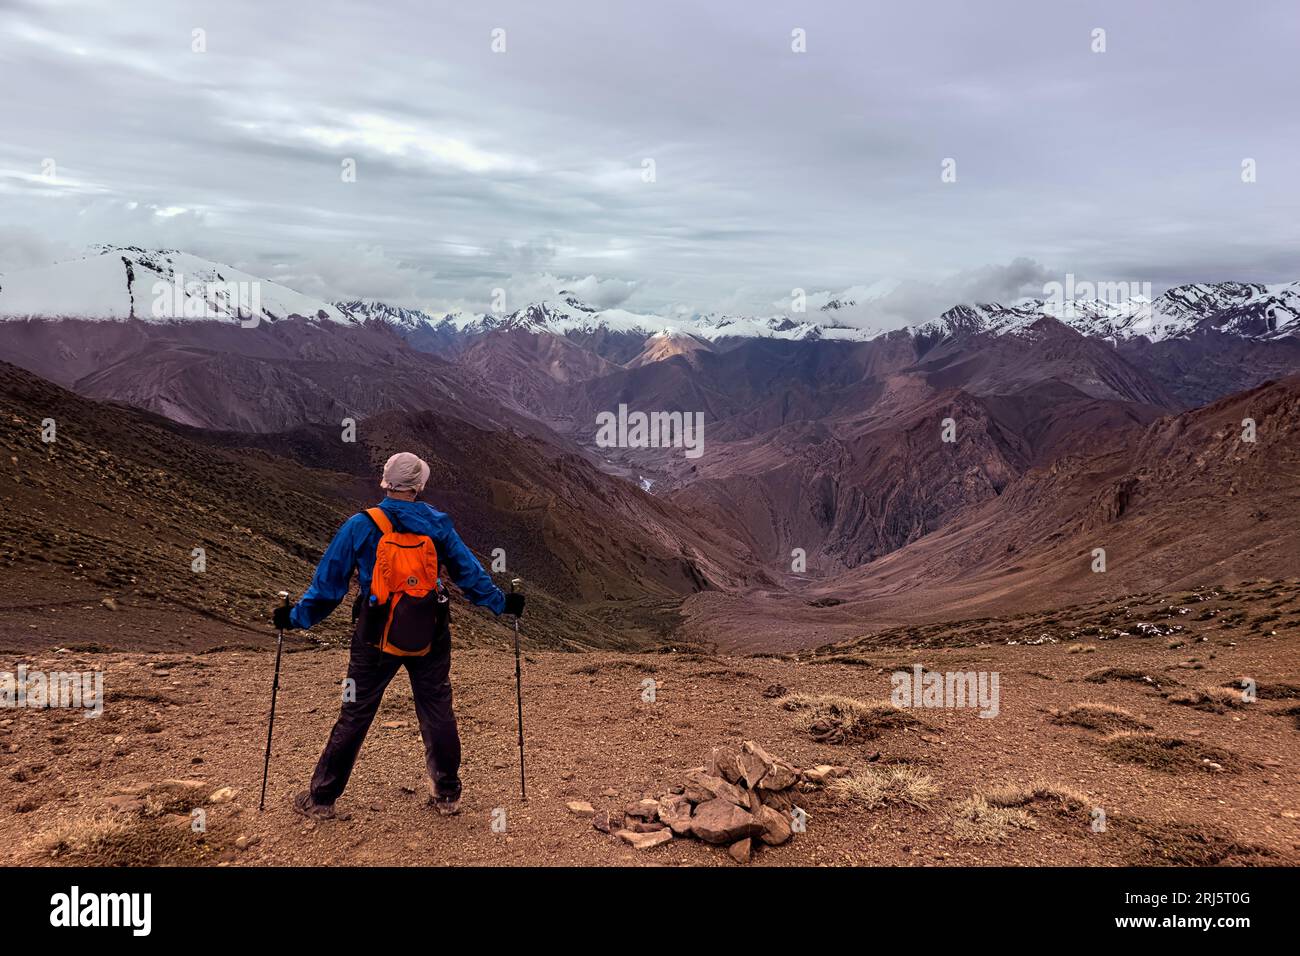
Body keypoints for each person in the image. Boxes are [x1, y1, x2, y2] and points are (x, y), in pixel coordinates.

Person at [273, 451, 524, 819]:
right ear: (419, 485)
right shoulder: (437, 524)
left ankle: (322, 799)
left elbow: (328, 587)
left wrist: (294, 618)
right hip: (429, 630)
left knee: (356, 712)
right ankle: (448, 795)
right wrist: (503, 604)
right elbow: (469, 575)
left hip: (375, 635)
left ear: (386, 482)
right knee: (437, 707)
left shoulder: (359, 526)